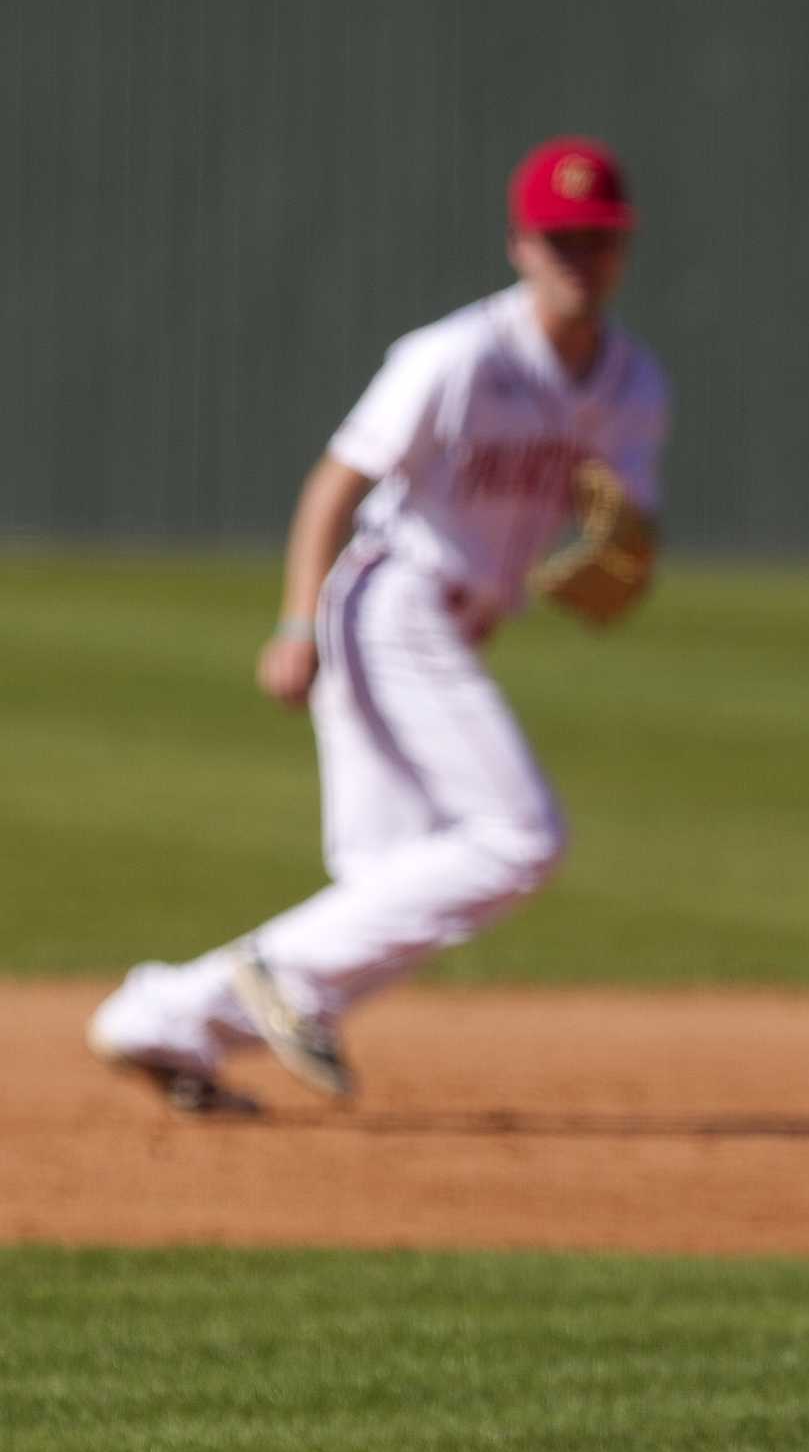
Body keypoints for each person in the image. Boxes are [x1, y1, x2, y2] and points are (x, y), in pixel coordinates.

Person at [89, 135, 669, 1112]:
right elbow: (335, 486)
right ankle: (277, 978)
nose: (578, 256)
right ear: (520, 245)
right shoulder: (455, 356)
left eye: (596, 239)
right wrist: (295, 623)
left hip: (456, 622)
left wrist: (619, 562)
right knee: (519, 838)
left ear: (622, 249)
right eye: (559, 237)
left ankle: (161, 1018)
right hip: (388, 603)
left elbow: (625, 540)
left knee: (388, 881)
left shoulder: (633, 383)